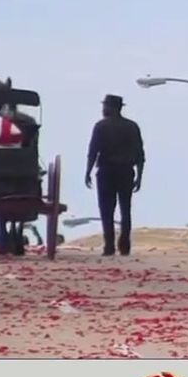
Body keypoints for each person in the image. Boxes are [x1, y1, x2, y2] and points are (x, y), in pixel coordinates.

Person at [84, 94, 145, 256]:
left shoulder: (101, 126)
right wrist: (139, 176)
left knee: (106, 210)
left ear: (110, 108)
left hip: (106, 171)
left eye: (105, 106)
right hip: (126, 171)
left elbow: (93, 152)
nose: (103, 109)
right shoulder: (132, 127)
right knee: (126, 209)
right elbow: (140, 154)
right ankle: (125, 245)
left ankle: (109, 245)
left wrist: (88, 172)